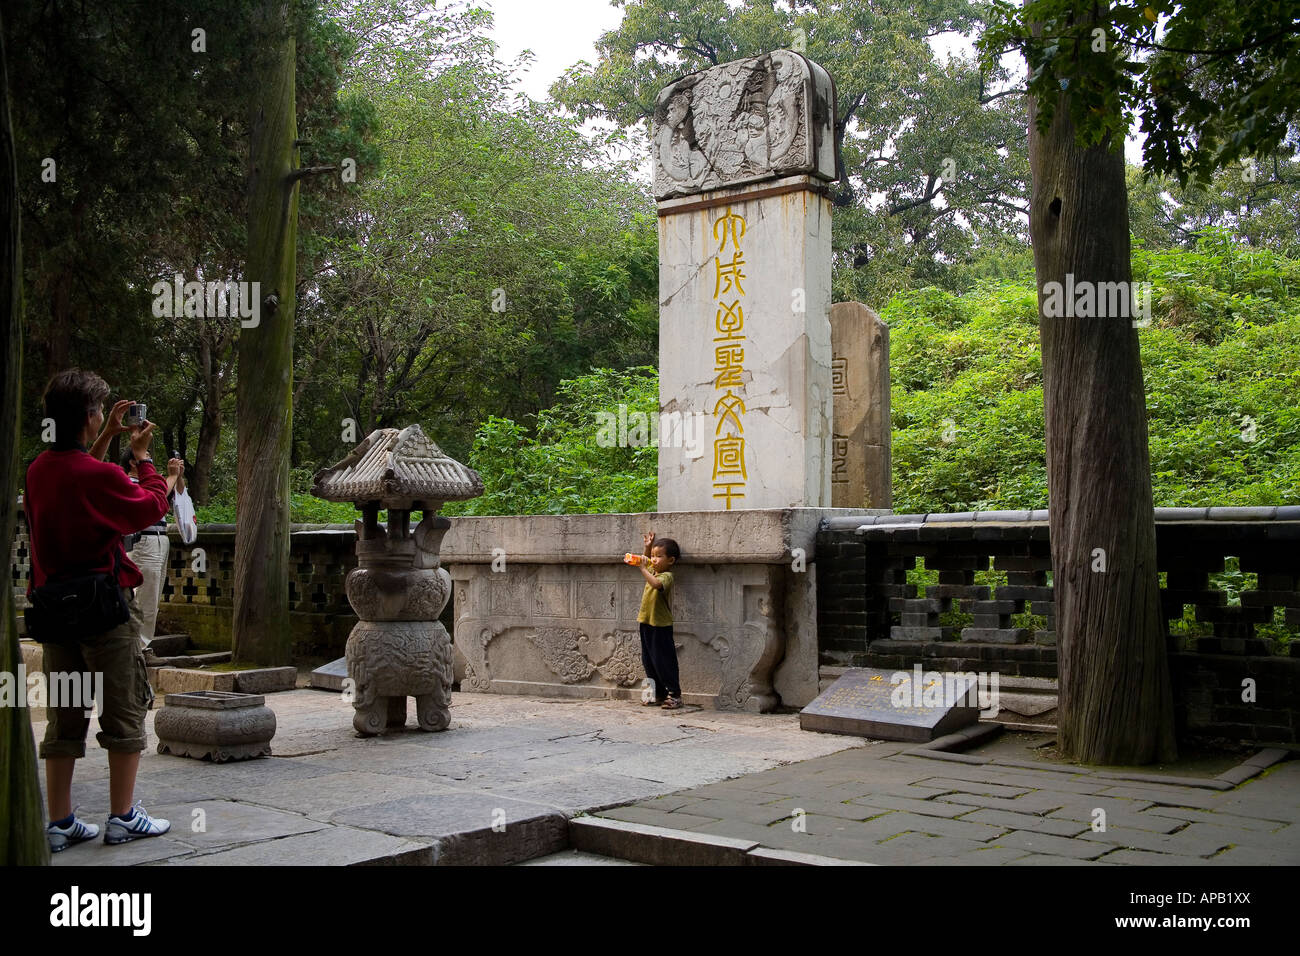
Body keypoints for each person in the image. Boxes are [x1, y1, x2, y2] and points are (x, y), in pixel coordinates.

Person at [26, 369, 183, 851]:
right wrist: (149, 462)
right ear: (91, 416)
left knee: (65, 714)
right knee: (123, 707)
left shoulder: (39, 471)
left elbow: (78, 479)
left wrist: (109, 438)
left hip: (54, 612)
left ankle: (61, 822)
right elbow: (149, 507)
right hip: (102, 608)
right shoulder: (102, 475)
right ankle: (122, 816)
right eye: (100, 412)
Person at [120, 448, 184, 651]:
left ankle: (140, 645)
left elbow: (178, 495)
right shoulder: (128, 482)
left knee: (152, 596)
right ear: (133, 462)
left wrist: (178, 476)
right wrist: (171, 476)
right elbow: (153, 499)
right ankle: (137, 648)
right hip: (144, 542)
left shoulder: (151, 483)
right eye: (146, 456)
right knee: (143, 596)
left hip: (159, 541)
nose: (151, 460)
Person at [632, 531, 682, 710]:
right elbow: (645, 562)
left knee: (664, 660)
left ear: (671, 560)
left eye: (659, 556)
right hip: (645, 622)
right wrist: (647, 548)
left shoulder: (666, 575)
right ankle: (657, 693)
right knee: (649, 660)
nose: (654, 559)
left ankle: (674, 695)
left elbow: (656, 584)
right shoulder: (653, 570)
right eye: (653, 556)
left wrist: (644, 568)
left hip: (661, 625)